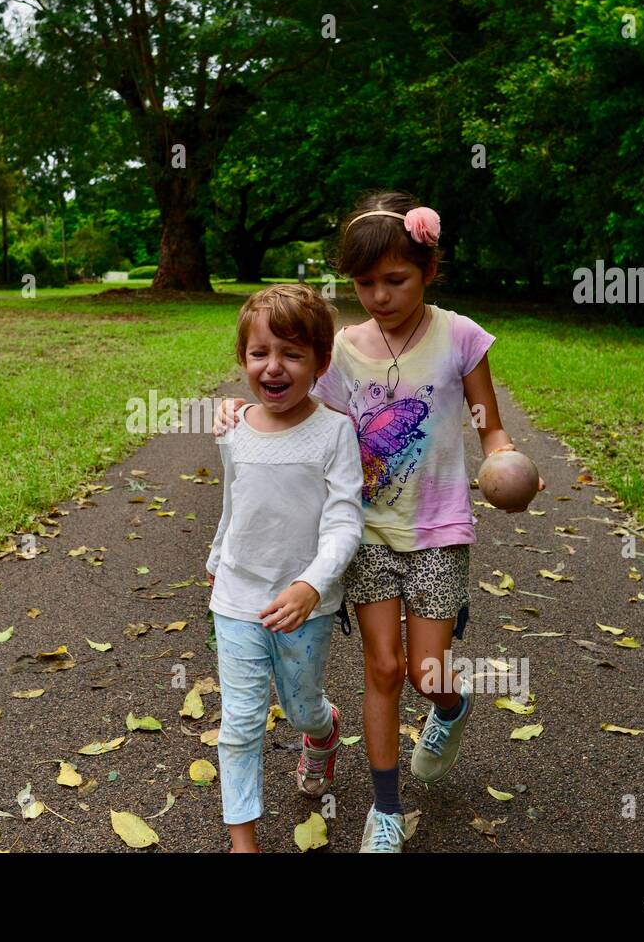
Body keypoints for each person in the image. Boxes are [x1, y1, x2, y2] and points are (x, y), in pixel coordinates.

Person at [214, 191, 544, 852]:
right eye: (364, 283)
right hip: (365, 532)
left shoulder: (461, 337)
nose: (379, 296)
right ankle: (386, 809)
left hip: (438, 529)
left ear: (430, 269)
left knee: (426, 672)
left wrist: (502, 455)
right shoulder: (341, 349)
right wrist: (235, 414)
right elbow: (299, 408)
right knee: (385, 668)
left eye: (395, 279)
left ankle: (450, 705)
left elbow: (489, 421)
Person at [205, 283, 364, 853]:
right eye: (258, 354)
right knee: (241, 721)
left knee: (301, 706)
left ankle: (323, 734)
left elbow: (346, 521)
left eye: (292, 354)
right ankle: (243, 841)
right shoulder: (233, 428)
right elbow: (234, 501)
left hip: (307, 606)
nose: (273, 367)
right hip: (236, 599)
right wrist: (218, 558)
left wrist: (309, 584)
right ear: (242, 359)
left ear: (321, 363)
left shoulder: (335, 432)